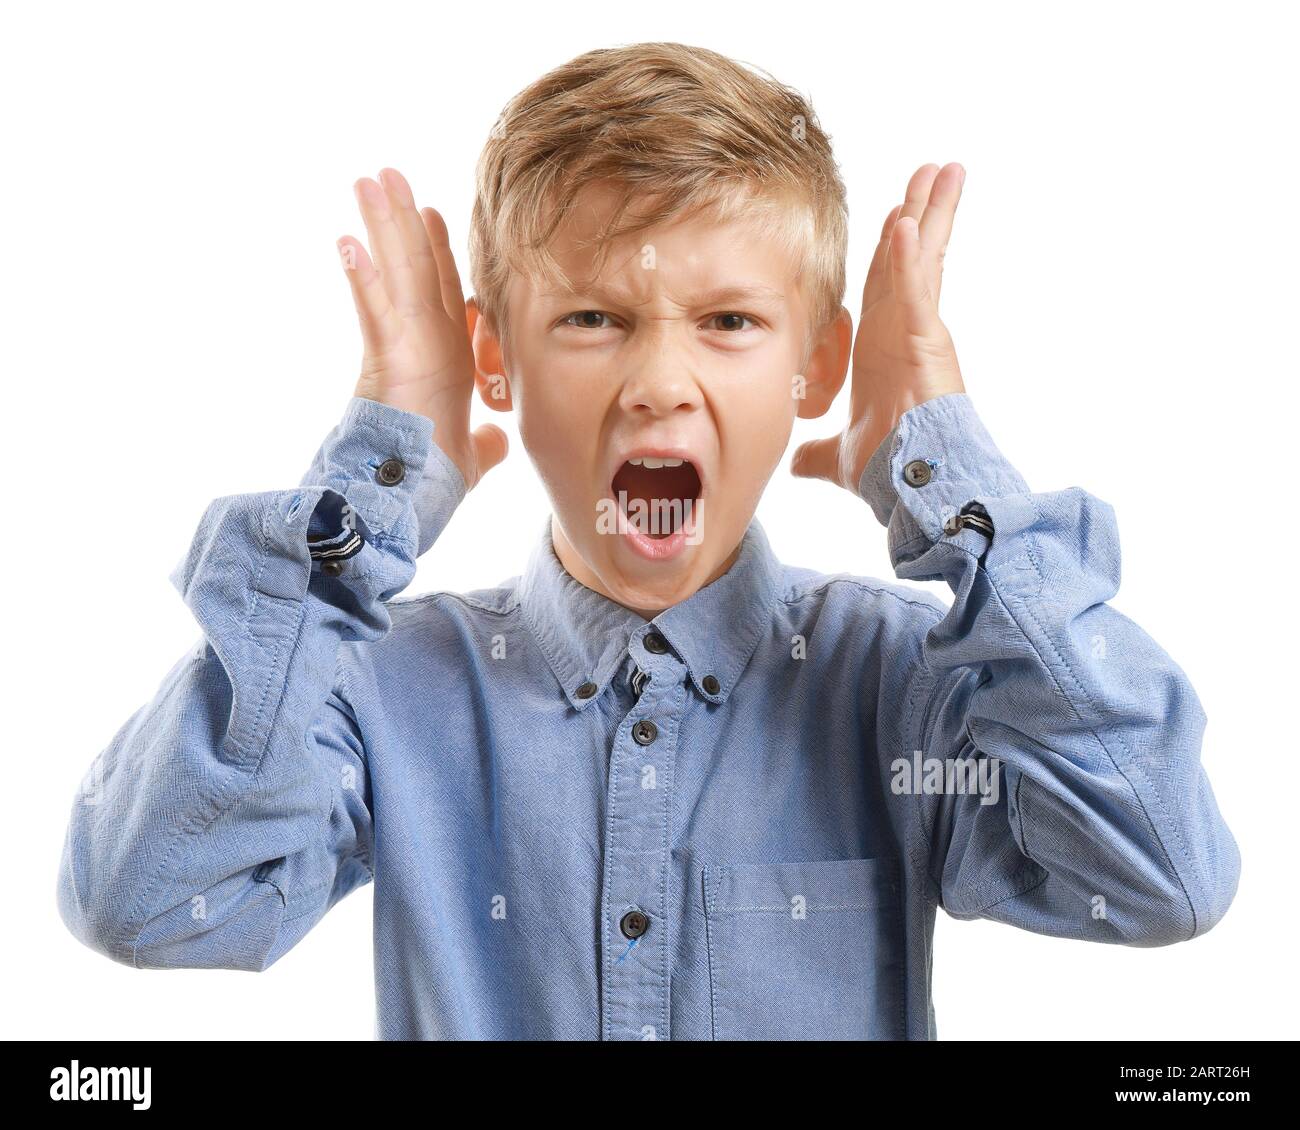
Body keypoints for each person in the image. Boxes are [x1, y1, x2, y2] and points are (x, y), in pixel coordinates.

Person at [56, 41, 1239, 1040]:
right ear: (494, 361)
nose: (657, 383)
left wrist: (952, 487)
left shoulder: (903, 691)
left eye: (729, 321)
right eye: (590, 319)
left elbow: (1159, 877)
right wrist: (368, 486)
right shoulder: (380, 690)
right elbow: (144, 899)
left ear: (813, 365)